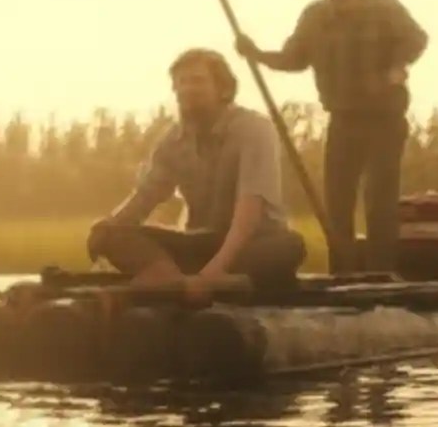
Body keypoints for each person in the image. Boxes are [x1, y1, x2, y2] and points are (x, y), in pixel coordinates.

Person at [236, 0, 427, 274]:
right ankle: (343, 272)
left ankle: (381, 273)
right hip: (343, 118)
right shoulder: (315, 16)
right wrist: (256, 54)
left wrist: (395, 69)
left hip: (384, 118)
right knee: (337, 203)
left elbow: (417, 39)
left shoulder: (383, 7)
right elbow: (293, 58)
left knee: (380, 201)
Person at [86, 48, 306, 290]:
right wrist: (109, 229)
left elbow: (249, 211)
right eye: (181, 82)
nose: (187, 89)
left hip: (250, 243)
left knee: (288, 247)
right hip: (200, 242)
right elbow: (144, 198)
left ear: (223, 89)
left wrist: (212, 273)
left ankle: (203, 281)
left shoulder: (253, 129)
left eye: (198, 81)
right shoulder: (173, 139)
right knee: (110, 233)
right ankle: (169, 278)